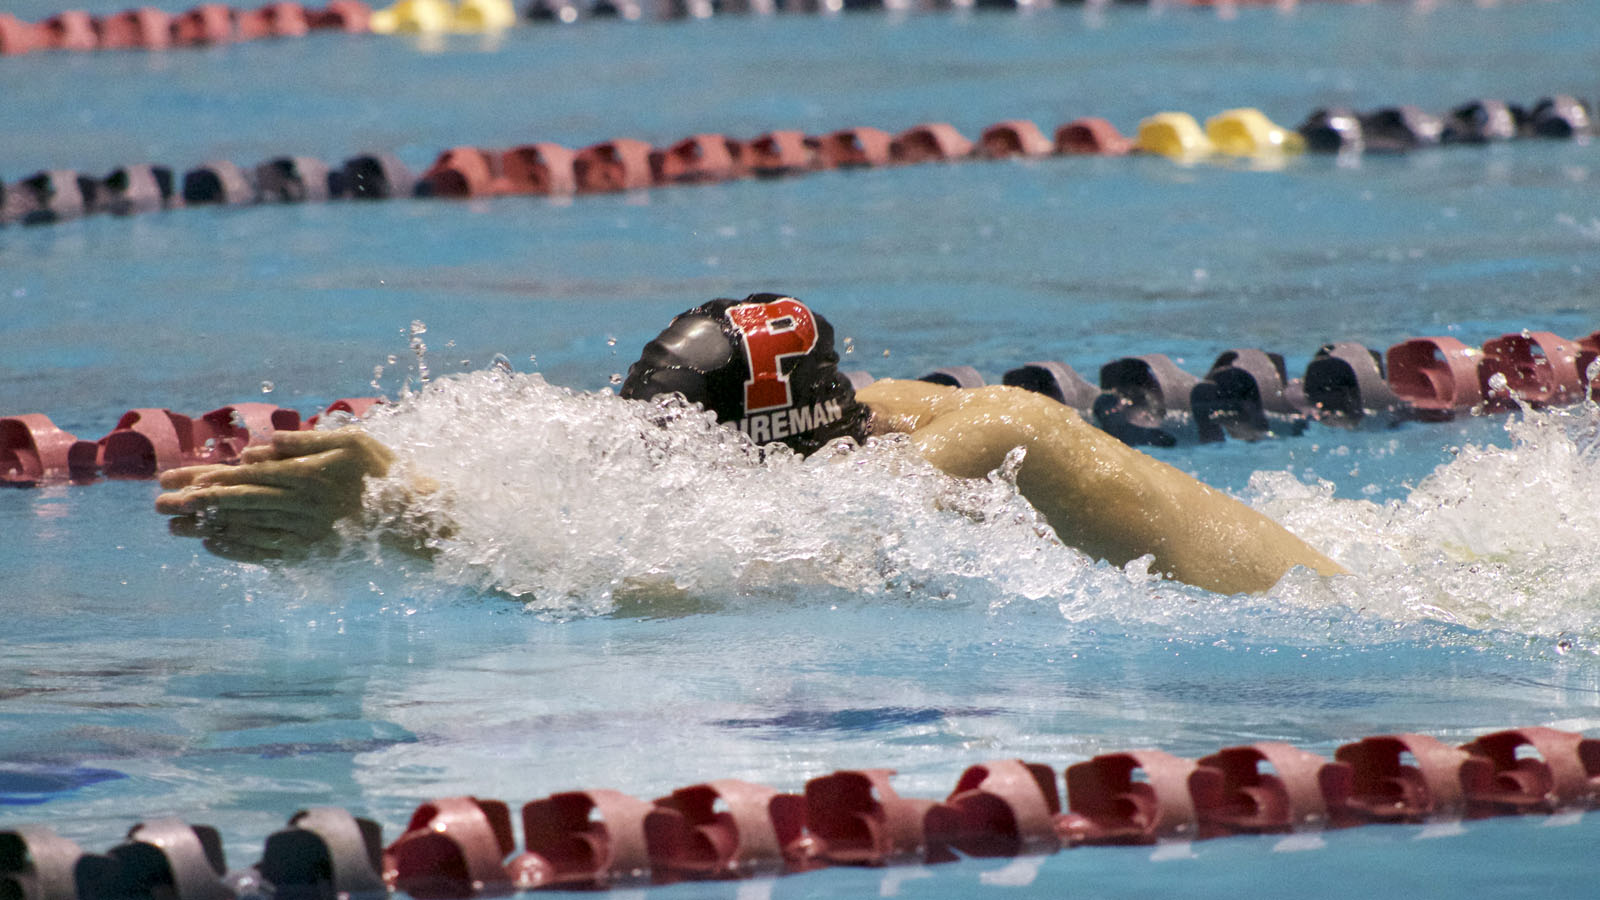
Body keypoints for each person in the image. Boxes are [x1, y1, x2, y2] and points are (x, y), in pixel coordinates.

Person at [156, 293, 1346, 594]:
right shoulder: (836, 418)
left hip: (1348, 612)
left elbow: (738, 573)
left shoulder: (986, 441)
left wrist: (405, 523)